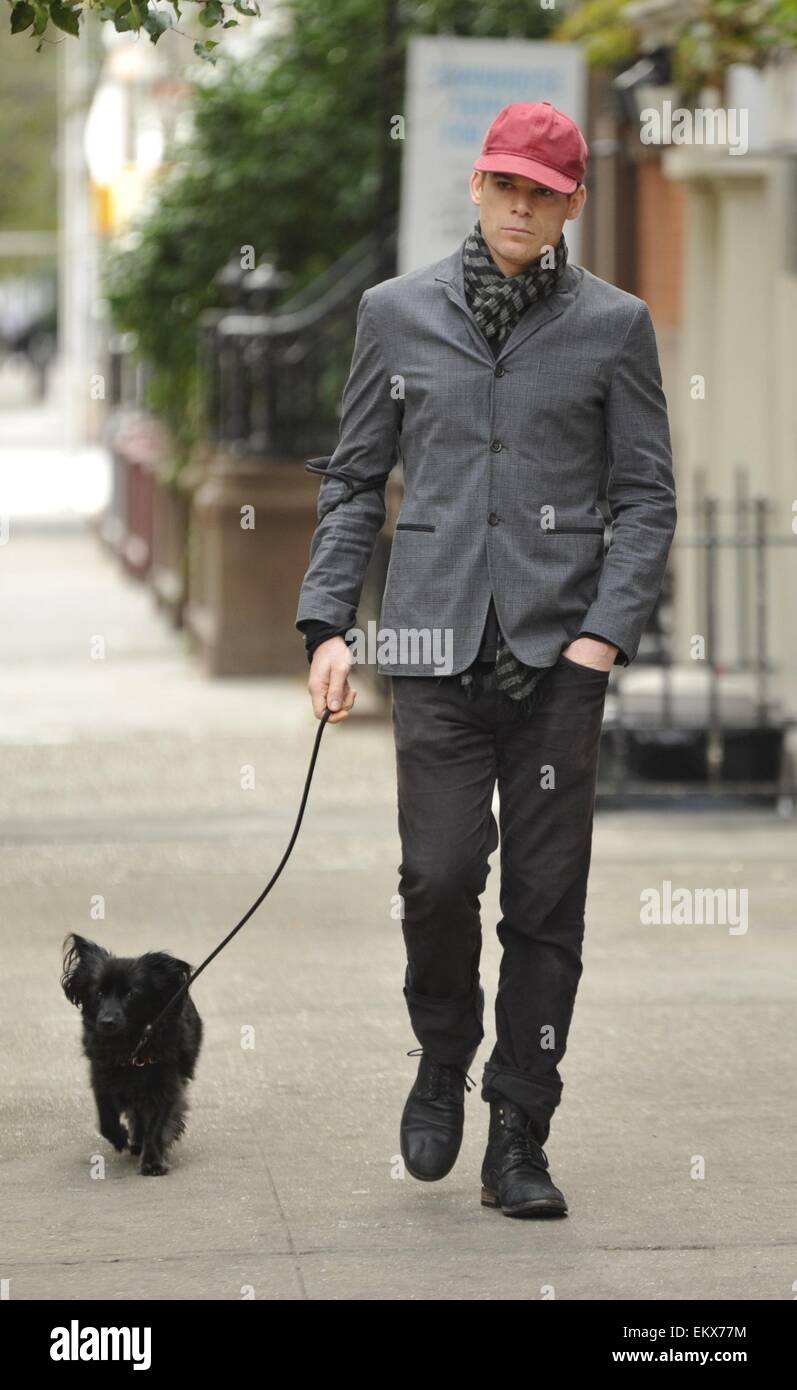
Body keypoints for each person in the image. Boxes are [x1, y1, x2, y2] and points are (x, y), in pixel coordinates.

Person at [295, 101, 677, 1218]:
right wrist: (326, 623)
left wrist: (604, 634)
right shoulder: (391, 315)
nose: (520, 204)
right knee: (440, 874)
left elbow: (646, 495)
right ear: (475, 184)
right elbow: (356, 476)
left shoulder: (614, 326)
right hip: (428, 644)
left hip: (561, 659)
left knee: (546, 903)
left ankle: (519, 1125)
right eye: (504, 183)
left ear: (570, 203)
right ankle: (439, 1052)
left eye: (541, 190)